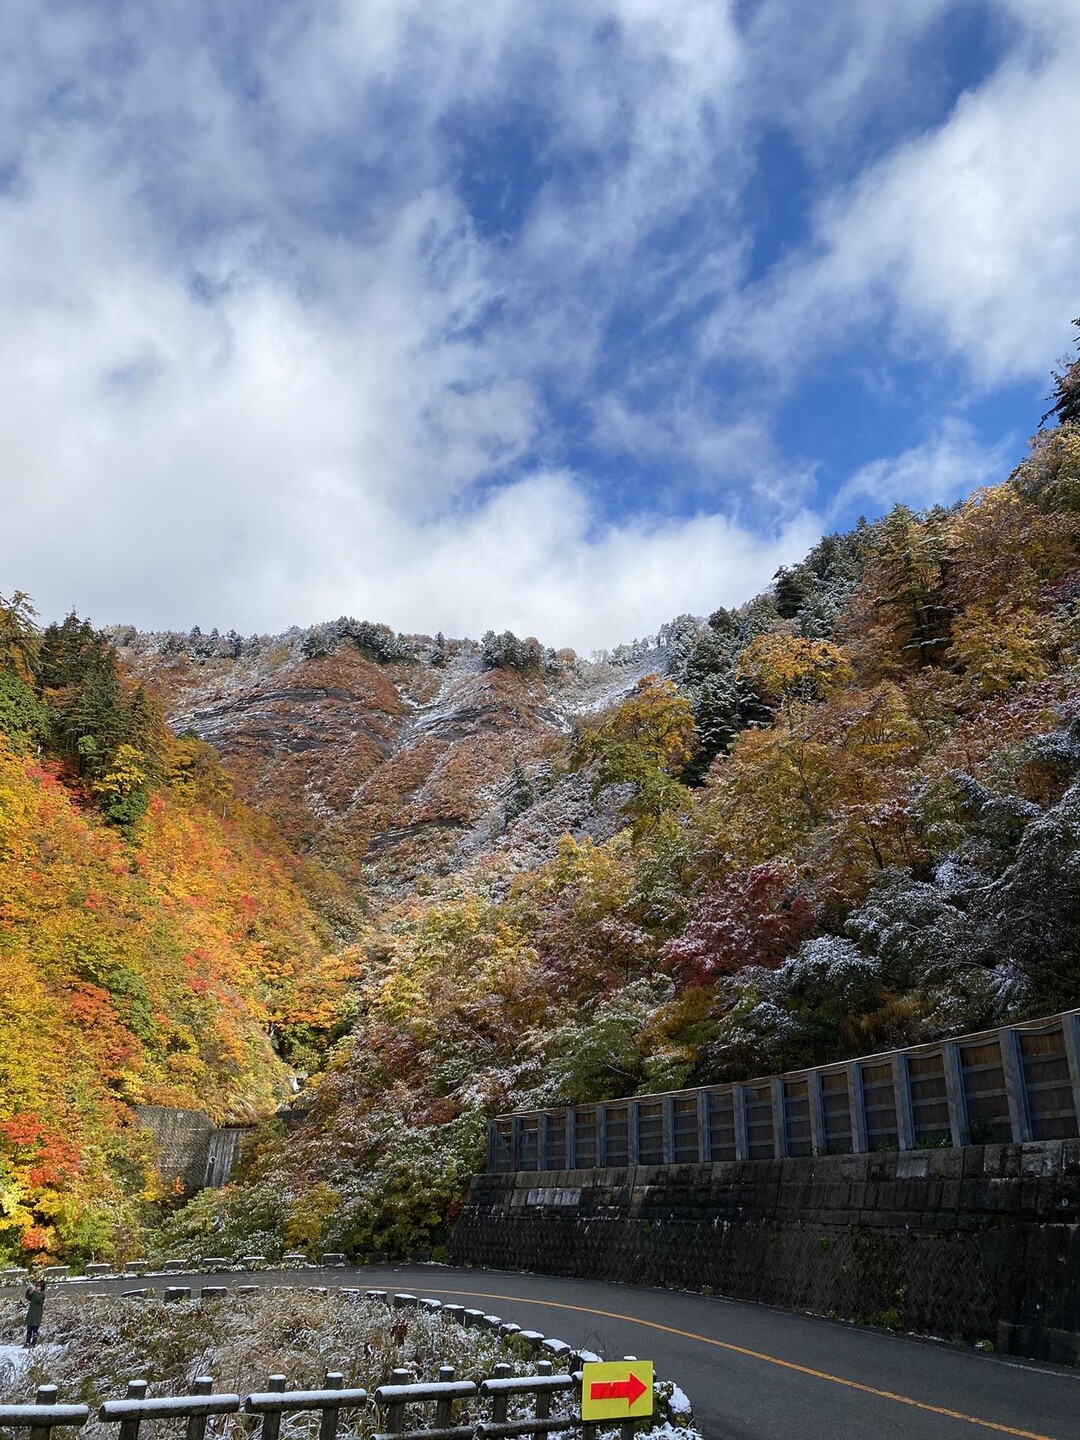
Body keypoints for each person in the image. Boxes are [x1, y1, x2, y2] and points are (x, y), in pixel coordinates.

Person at [24, 1278, 46, 1348]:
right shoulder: (34, 1293)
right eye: (36, 1286)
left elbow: (37, 1300)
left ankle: (33, 1343)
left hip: (37, 1315)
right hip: (31, 1314)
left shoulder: (42, 1295)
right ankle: (27, 1342)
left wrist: (35, 1292)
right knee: (29, 1330)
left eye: (39, 1286)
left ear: (42, 1287)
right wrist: (28, 1290)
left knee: (35, 1331)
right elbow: (28, 1297)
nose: (37, 1287)